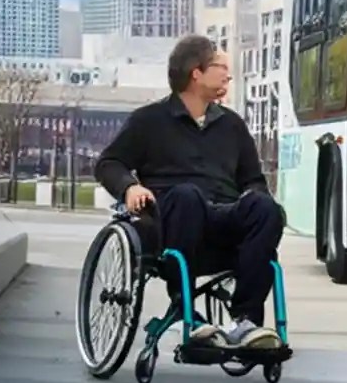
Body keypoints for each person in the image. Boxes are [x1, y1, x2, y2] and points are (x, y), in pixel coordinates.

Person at [95, 34, 285, 350]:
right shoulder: (149, 121)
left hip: (223, 217)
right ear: (195, 72)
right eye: (219, 66)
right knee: (188, 196)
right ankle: (184, 309)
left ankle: (247, 323)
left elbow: (253, 180)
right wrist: (129, 187)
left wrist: (255, 200)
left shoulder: (232, 126)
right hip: (169, 217)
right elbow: (108, 163)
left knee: (265, 208)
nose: (228, 74)